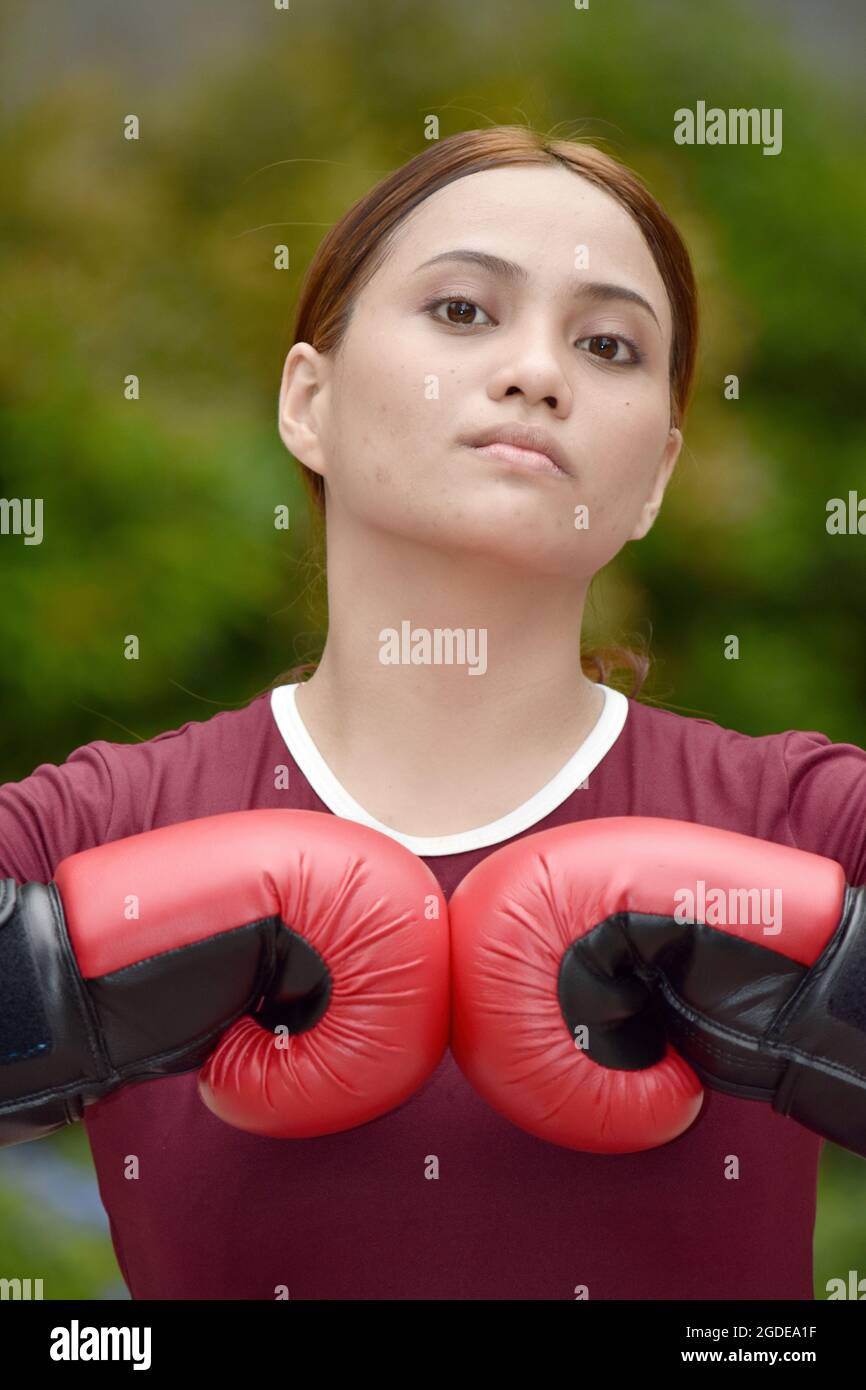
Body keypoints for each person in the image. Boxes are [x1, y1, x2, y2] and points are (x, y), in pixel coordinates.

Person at [2, 125, 864, 1301]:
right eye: (463, 311)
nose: (537, 371)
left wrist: (823, 998)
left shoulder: (801, 820)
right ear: (307, 401)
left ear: (655, 476)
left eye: (607, 343)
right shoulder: (95, 829)